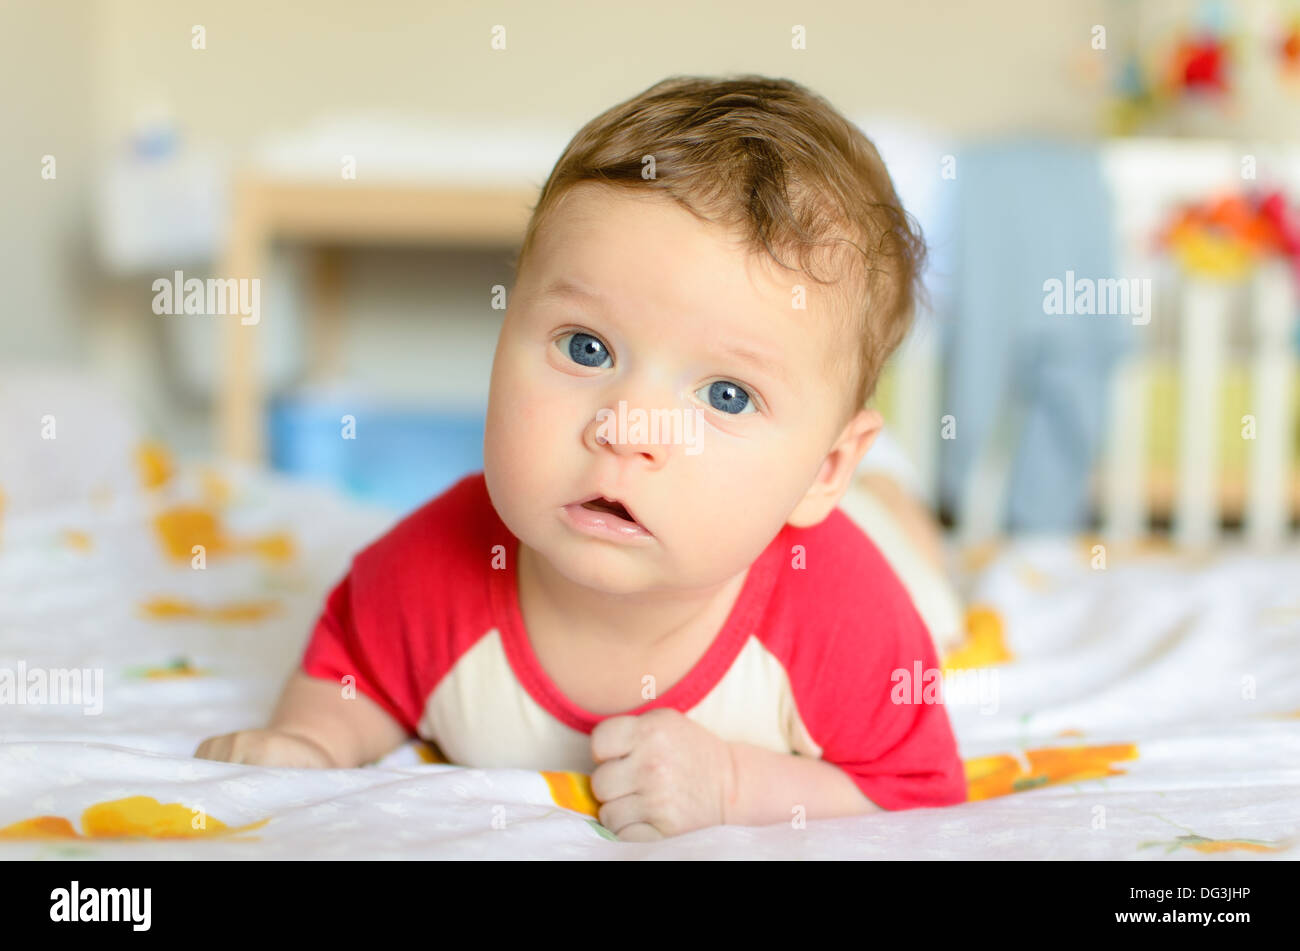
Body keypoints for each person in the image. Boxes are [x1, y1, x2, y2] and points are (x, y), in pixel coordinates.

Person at [196, 75, 967, 838]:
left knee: (921, 570)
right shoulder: (431, 567)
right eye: (586, 347)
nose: (627, 427)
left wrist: (734, 785)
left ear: (823, 469)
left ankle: (885, 489)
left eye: (726, 395)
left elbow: (919, 788)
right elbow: (354, 668)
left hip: (865, 549)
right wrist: (311, 743)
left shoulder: (846, 616)